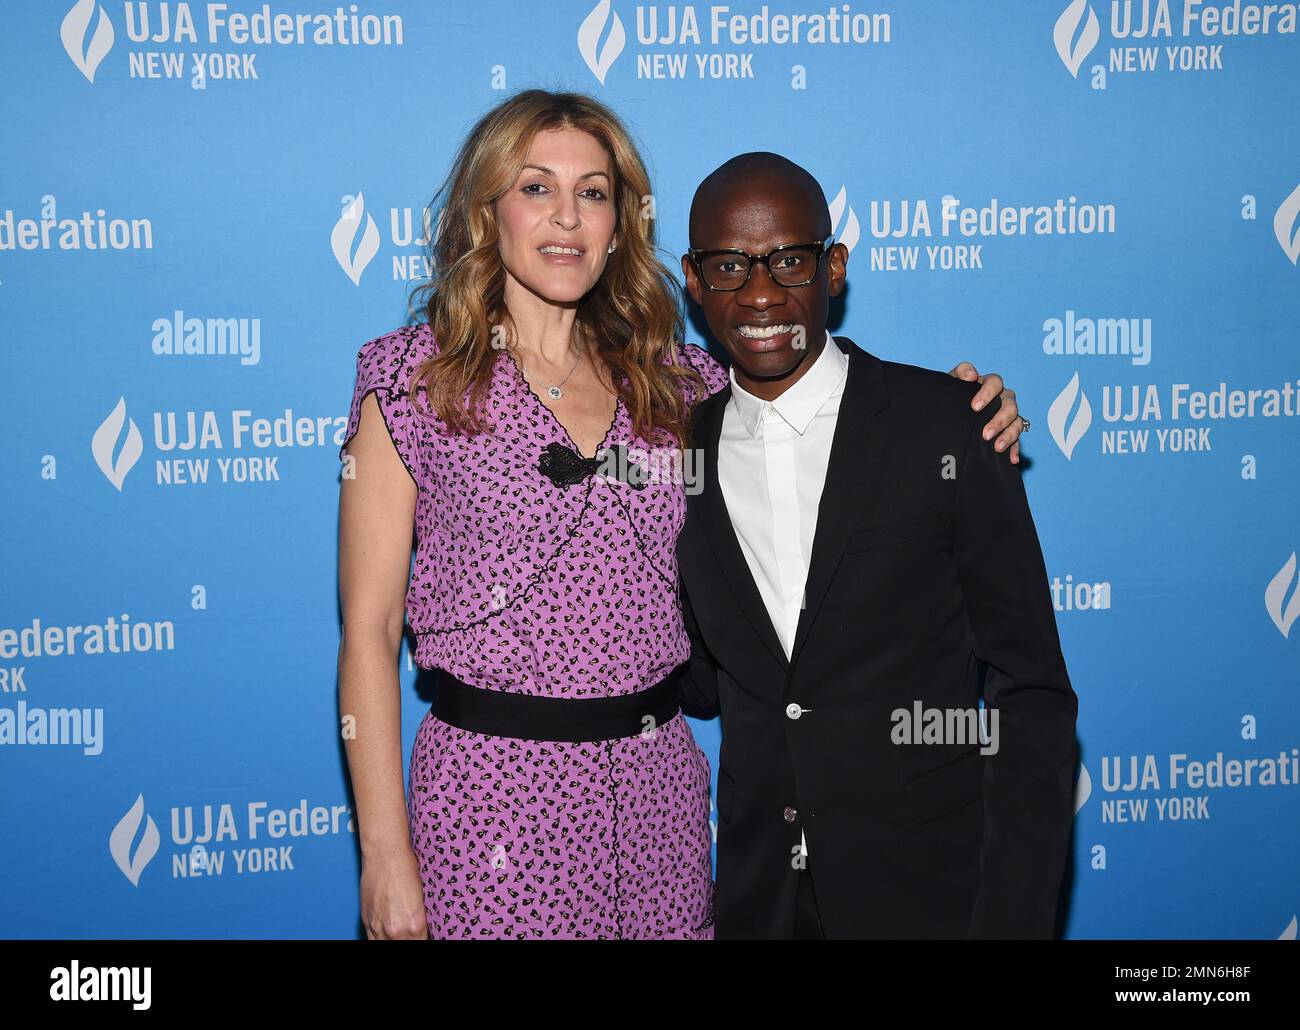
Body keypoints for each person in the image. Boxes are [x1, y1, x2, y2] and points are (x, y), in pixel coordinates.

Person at [336, 90, 1026, 940]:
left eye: (593, 192)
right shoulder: (410, 384)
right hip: (489, 803)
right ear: (488, 211)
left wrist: (966, 409)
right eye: (535, 187)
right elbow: (368, 630)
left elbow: (822, 415)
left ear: (622, 222)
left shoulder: (678, 384)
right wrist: (384, 854)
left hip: (662, 791)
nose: (567, 217)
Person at [675, 152, 1078, 940]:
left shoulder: (948, 424)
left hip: (936, 898)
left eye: (789, 259)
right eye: (730, 266)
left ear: (834, 267)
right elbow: (698, 684)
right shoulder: (677, 450)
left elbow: (1032, 692)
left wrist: (1012, 919)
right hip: (762, 905)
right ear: (693, 280)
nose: (760, 293)